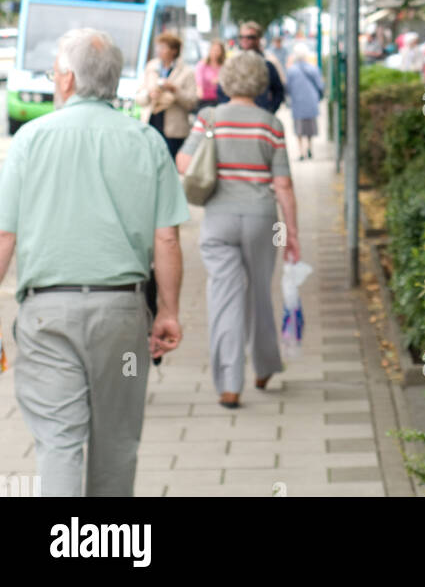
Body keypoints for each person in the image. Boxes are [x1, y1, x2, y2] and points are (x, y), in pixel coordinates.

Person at [0, 28, 188, 497]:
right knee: (118, 443)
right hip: (122, 318)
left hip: (47, 318)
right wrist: (167, 310)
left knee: (59, 442)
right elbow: (167, 238)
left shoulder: (29, 141)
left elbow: (5, 235)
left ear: (66, 79)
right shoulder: (146, 142)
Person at [178, 50, 299, 407]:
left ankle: (230, 384)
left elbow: (184, 162)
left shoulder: (209, 117)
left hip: (218, 219)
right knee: (260, 292)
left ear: (226, 80)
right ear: (260, 82)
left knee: (224, 298)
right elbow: (284, 186)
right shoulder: (271, 124)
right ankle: (263, 366)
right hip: (262, 219)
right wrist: (292, 236)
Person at [137, 31, 198, 159]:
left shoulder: (187, 72)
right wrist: (149, 94)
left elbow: (192, 103)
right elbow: (138, 97)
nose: (159, 50)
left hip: (173, 131)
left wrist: (175, 90)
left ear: (174, 51)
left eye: (164, 47)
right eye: (159, 47)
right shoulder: (151, 67)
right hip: (150, 125)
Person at [216, 20, 285, 114]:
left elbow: (279, 92)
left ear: (259, 39)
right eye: (242, 37)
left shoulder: (268, 64)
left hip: (260, 117)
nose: (245, 40)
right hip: (236, 116)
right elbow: (221, 88)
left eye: (250, 37)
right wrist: (228, 107)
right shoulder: (232, 63)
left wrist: (270, 110)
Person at [285, 42, 326, 161]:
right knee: (310, 128)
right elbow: (320, 85)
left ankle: (301, 151)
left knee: (299, 129)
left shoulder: (291, 70)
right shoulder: (313, 69)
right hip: (311, 102)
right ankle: (309, 148)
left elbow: (287, 88)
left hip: (297, 103)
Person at [195, 39, 225, 113]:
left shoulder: (224, 66)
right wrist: (199, 89)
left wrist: (219, 80)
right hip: (205, 100)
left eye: (217, 50)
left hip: (220, 99)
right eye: (213, 50)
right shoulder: (202, 65)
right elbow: (199, 80)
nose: (215, 53)